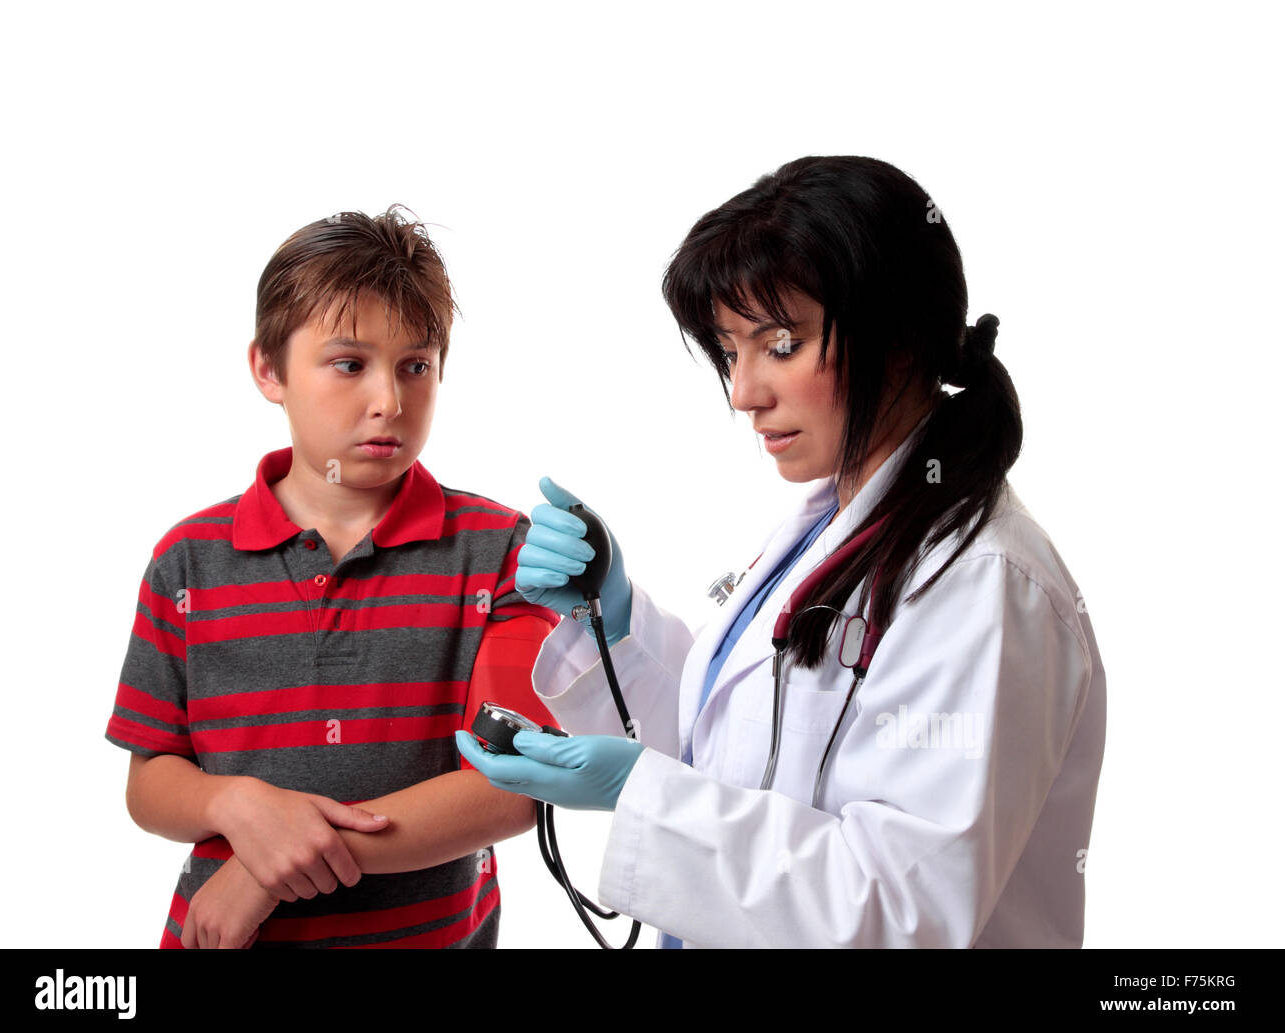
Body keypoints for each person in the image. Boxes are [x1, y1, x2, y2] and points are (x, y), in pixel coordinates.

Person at [456, 156, 1107, 948]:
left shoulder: (983, 586)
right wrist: (612, 630)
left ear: (898, 339)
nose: (743, 392)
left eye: (782, 343)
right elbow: (737, 768)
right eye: (732, 351)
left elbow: (905, 913)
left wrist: (642, 795)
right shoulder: (829, 523)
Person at [106, 205, 559, 948]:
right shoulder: (187, 559)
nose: (390, 400)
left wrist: (269, 867)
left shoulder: (499, 550)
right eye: (349, 364)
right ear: (267, 369)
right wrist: (239, 803)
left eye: (416, 365)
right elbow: (151, 780)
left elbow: (509, 786)